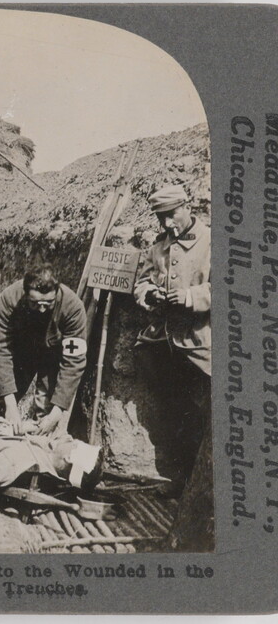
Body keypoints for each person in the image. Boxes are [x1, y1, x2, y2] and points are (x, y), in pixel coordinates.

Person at [133, 184, 211, 483]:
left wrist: (190, 297)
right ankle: (178, 480)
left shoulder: (212, 241)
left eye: (171, 214)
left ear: (186, 206)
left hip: (198, 342)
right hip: (163, 342)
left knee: (202, 415)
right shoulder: (159, 246)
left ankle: (202, 484)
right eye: (160, 217)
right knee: (173, 414)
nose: (166, 223)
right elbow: (142, 282)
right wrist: (150, 294)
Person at [0, 266, 88, 437]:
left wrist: (57, 412)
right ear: (25, 294)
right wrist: (10, 406)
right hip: (20, 353)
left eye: (48, 303)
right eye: (34, 303)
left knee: (46, 412)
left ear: (56, 292)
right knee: (0, 404)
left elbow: (74, 361)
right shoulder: (10, 299)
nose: (42, 309)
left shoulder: (72, 307)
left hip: (52, 357)